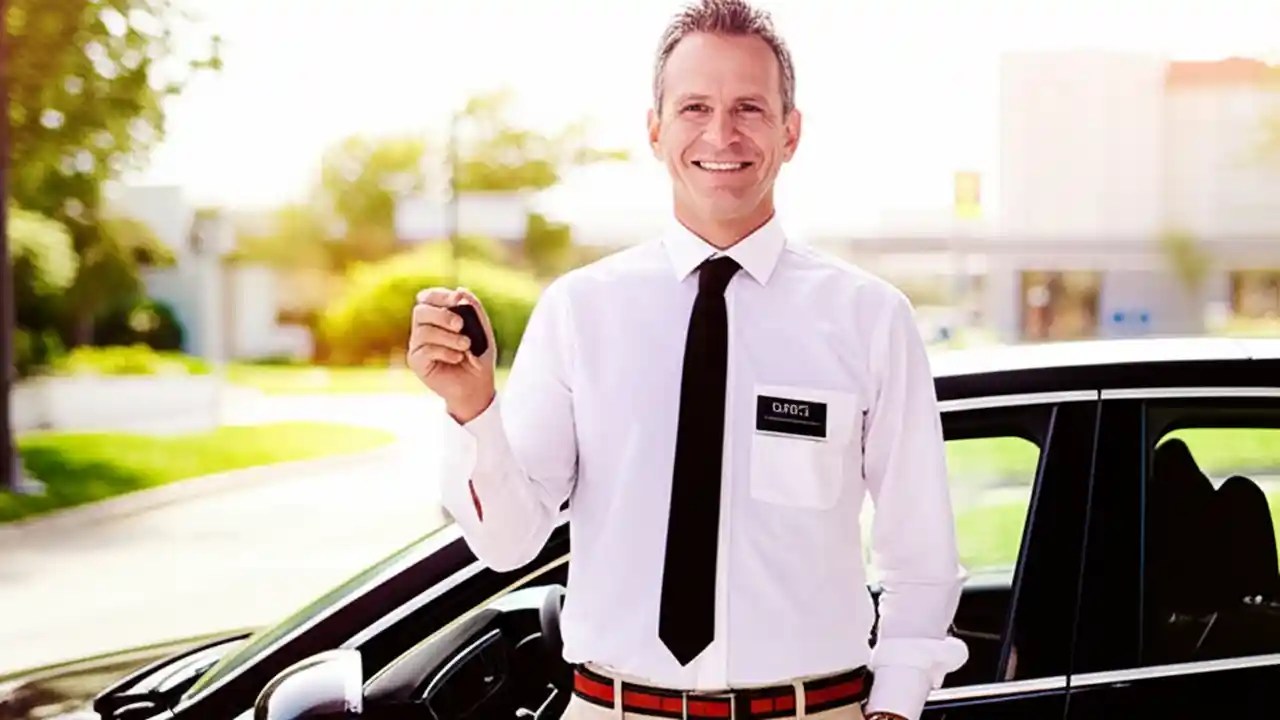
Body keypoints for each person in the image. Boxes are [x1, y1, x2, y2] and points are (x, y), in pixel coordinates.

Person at [407, 1, 968, 717]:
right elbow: (509, 544)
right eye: (695, 106)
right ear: (656, 129)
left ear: (791, 133)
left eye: (750, 109)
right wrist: (472, 408)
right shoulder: (581, 312)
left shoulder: (869, 319)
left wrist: (894, 705)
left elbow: (919, 552)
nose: (721, 134)